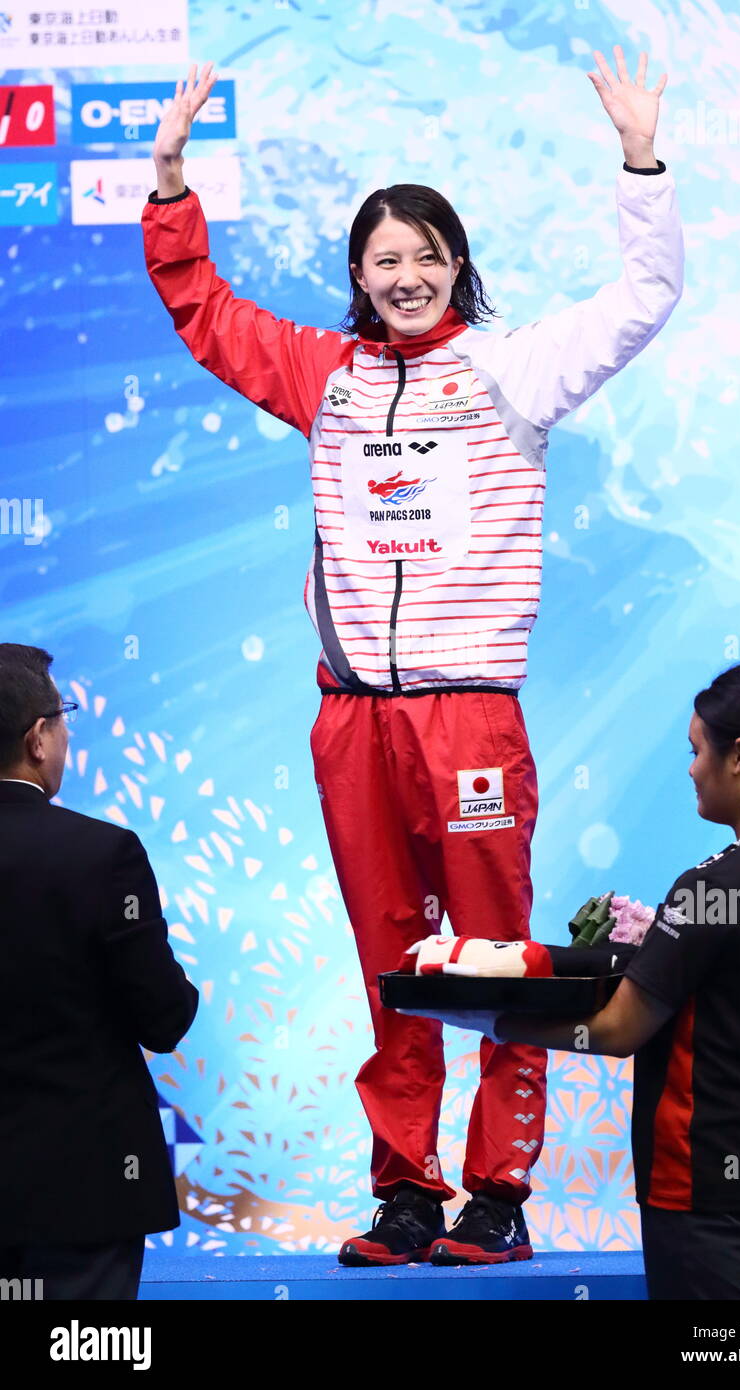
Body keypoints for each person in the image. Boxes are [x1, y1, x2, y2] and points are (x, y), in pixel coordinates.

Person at [141, 45, 683, 1265]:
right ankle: (403, 1189)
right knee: (389, 960)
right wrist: (170, 183)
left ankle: (496, 1193)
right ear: (356, 275)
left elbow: (641, 298)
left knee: (493, 959)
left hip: (469, 721)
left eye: (423, 257)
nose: (402, 277)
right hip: (354, 722)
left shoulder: (511, 368)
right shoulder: (322, 377)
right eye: (381, 261)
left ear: (456, 267)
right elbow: (205, 316)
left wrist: (640, 161)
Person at [405, 661, 740, 1294]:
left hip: (711, 1206)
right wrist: (516, 958)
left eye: (696, 750)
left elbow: (619, 1030)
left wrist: (488, 1017)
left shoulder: (712, 888)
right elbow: (699, 975)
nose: (689, 768)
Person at [0, 644, 199, 1299]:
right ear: (37, 738)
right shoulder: (101, 855)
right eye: (62, 720)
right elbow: (163, 1017)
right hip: (81, 1190)